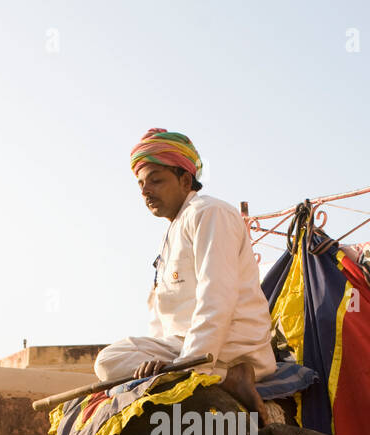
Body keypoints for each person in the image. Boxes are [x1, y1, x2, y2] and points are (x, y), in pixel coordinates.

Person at [93, 128, 274, 418]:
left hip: (229, 347)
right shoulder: (171, 232)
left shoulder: (210, 212)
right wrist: (155, 363)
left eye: (156, 180)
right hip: (180, 349)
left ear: (185, 180)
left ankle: (228, 376)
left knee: (112, 362)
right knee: (108, 360)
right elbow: (163, 318)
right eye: (140, 183)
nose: (145, 191)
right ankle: (200, 376)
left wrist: (190, 363)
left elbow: (217, 296)